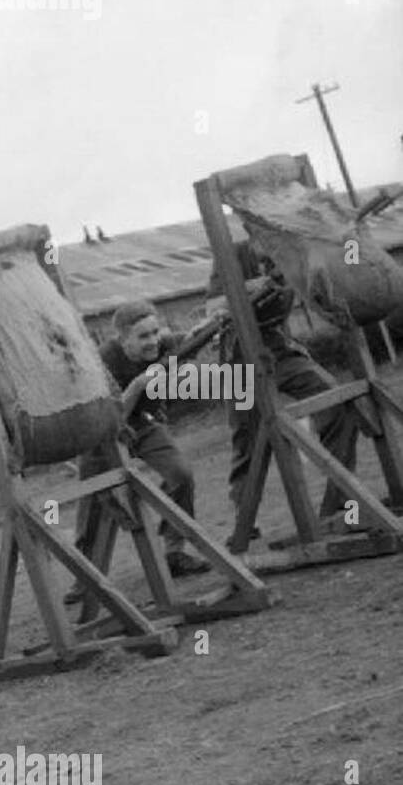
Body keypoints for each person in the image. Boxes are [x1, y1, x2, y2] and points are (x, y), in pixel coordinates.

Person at [205, 240, 359, 548]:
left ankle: (340, 503)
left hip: (279, 349)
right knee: (248, 441)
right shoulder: (234, 254)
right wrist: (258, 285)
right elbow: (213, 307)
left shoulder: (298, 251)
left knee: (338, 401)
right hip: (239, 356)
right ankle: (243, 522)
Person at [66, 300, 211, 602]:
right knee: (95, 499)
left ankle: (173, 552)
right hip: (104, 431)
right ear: (123, 339)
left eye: (155, 332)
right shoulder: (102, 363)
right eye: (143, 336)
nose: (153, 341)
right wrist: (136, 387)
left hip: (145, 425)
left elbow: (194, 339)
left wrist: (212, 323)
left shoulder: (164, 344)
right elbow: (111, 414)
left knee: (180, 474)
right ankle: (85, 577)